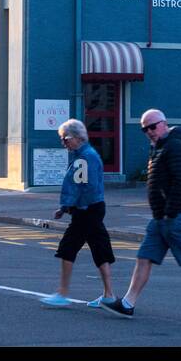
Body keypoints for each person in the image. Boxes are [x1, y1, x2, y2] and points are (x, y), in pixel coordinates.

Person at [103, 109, 181, 321]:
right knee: (144, 257)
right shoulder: (159, 148)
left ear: (164, 124)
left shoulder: (174, 147)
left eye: (152, 126)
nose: (149, 131)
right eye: (145, 129)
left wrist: (170, 213)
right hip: (160, 218)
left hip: (176, 216)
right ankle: (127, 303)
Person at [40, 119, 117, 308]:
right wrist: (66, 207)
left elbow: (83, 187)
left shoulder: (84, 158)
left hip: (86, 210)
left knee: (68, 248)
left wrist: (73, 206)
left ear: (77, 137)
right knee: (100, 249)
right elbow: (82, 186)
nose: (63, 143)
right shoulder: (85, 155)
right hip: (93, 208)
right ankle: (109, 295)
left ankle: (62, 293)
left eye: (65, 139)